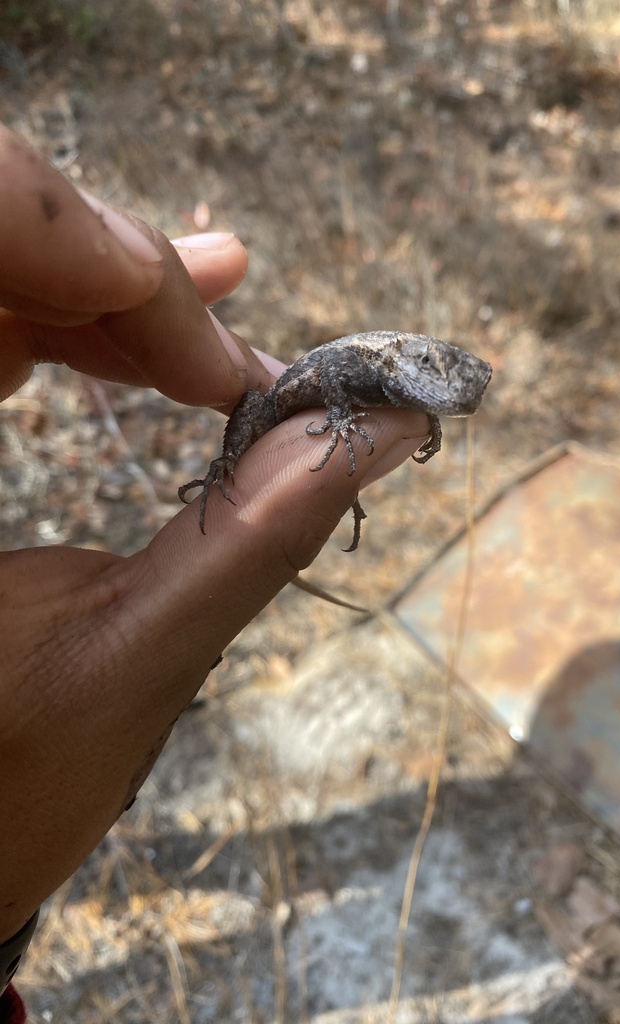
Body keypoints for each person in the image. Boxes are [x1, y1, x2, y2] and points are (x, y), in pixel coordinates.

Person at [0, 125, 431, 1019]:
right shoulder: (352, 373)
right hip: (276, 404)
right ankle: (237, 471)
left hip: (284, 400)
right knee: (254, 454)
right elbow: (332, 389)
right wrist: (326, 431)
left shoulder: (387, 369)